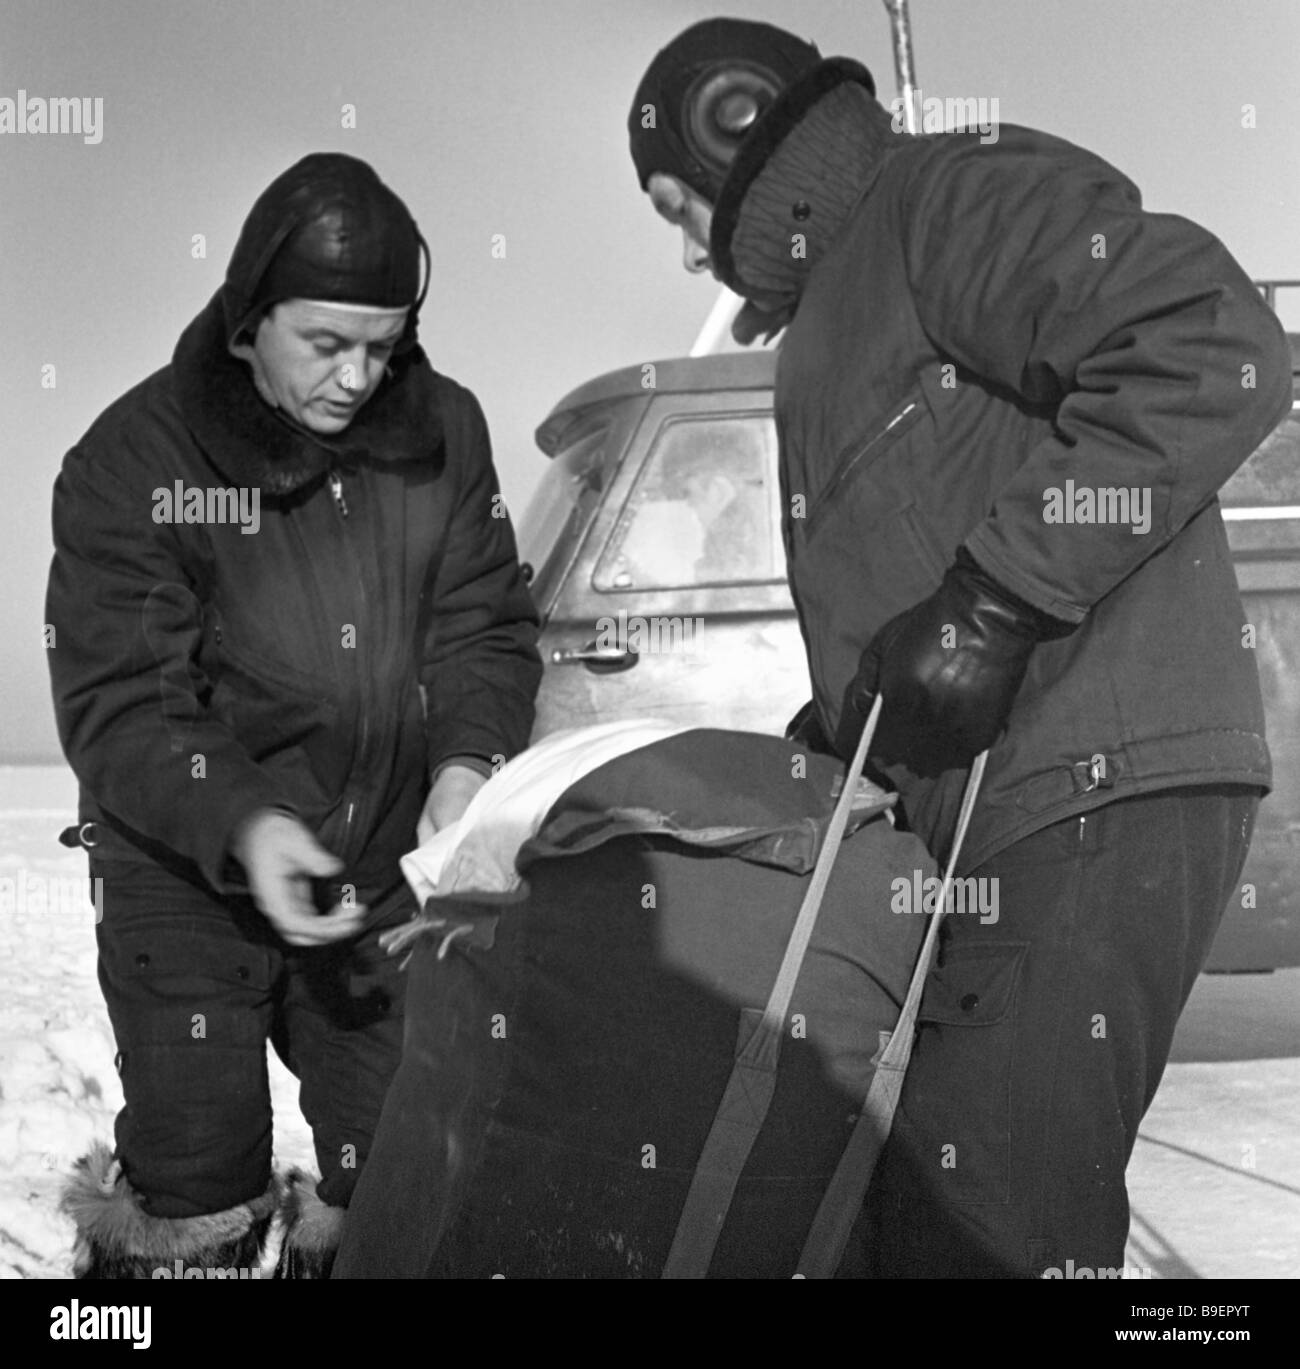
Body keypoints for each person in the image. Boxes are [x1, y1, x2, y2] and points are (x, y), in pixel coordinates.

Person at [626, 18, 1292, 1277]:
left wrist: (995, 603)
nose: (682, 249)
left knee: (985, 1222)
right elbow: (920, 545)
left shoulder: (942, 198)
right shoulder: (839, 309)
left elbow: (1215, 345)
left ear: (735, 139)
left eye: (679, 207)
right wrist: (849, 720)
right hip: (999, 814)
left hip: (1097, 780)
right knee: (923, 1204)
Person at [47, 152, 541, 1278]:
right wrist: (252, 828)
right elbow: (127, 699)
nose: (360, 376)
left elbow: (483, 627)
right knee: (196, 1179)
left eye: (384, 343)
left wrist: (465, 765)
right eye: (326, 343)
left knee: (400, 1166)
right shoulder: (136, 459)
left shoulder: (441, 433)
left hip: (371, 875)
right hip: (187, 870)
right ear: (247, 318)